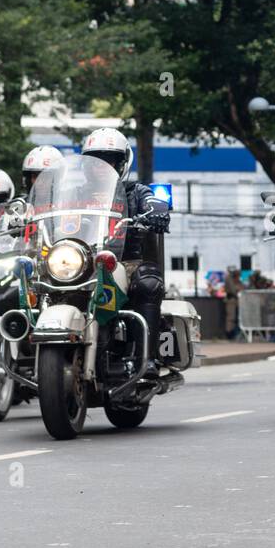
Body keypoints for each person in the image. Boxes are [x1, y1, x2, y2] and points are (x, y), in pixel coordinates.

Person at [81, 128, 171, 376]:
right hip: (81, 263)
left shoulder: (135, 192)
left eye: (108, 160)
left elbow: (153, 201)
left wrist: (156, 210)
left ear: (121, 163)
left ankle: (147, 358)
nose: (101, 166)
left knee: (149, 284)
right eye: (95, 161)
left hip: (126, 262)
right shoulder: (77, 195)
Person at [223, 267, 245, 340]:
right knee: (231, 318)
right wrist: (238, 292)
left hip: (236, 301)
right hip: (231, 300)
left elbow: (242, 288)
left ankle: (233, 333)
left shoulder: (236, 280)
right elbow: (232, 290)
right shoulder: (229, 278)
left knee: (235, 318)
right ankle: (229, 334)